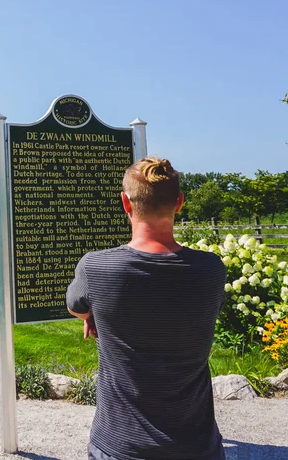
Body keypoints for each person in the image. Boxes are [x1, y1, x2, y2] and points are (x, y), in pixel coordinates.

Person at [66, 157, 227, 460]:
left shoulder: (97, 268)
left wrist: (91, 315)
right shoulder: (210, 270)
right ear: (179, 202)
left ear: (125, 203)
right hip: (197, 446)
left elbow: (75, 305)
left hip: (120, 445)